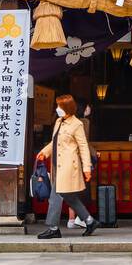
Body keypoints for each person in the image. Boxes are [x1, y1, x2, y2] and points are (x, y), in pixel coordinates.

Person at [35, 95, 101, 239]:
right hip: (57, 165)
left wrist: (87, 168)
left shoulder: (77, 124)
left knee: (55, 196)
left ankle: (53, 228)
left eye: (59, 106)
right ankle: (90, 221)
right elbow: (54, 142)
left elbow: (83, 147)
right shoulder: (59, 122)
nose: (57, 109)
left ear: (66, 108)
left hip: (68, 167)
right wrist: (44, 153)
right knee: (70, 197)